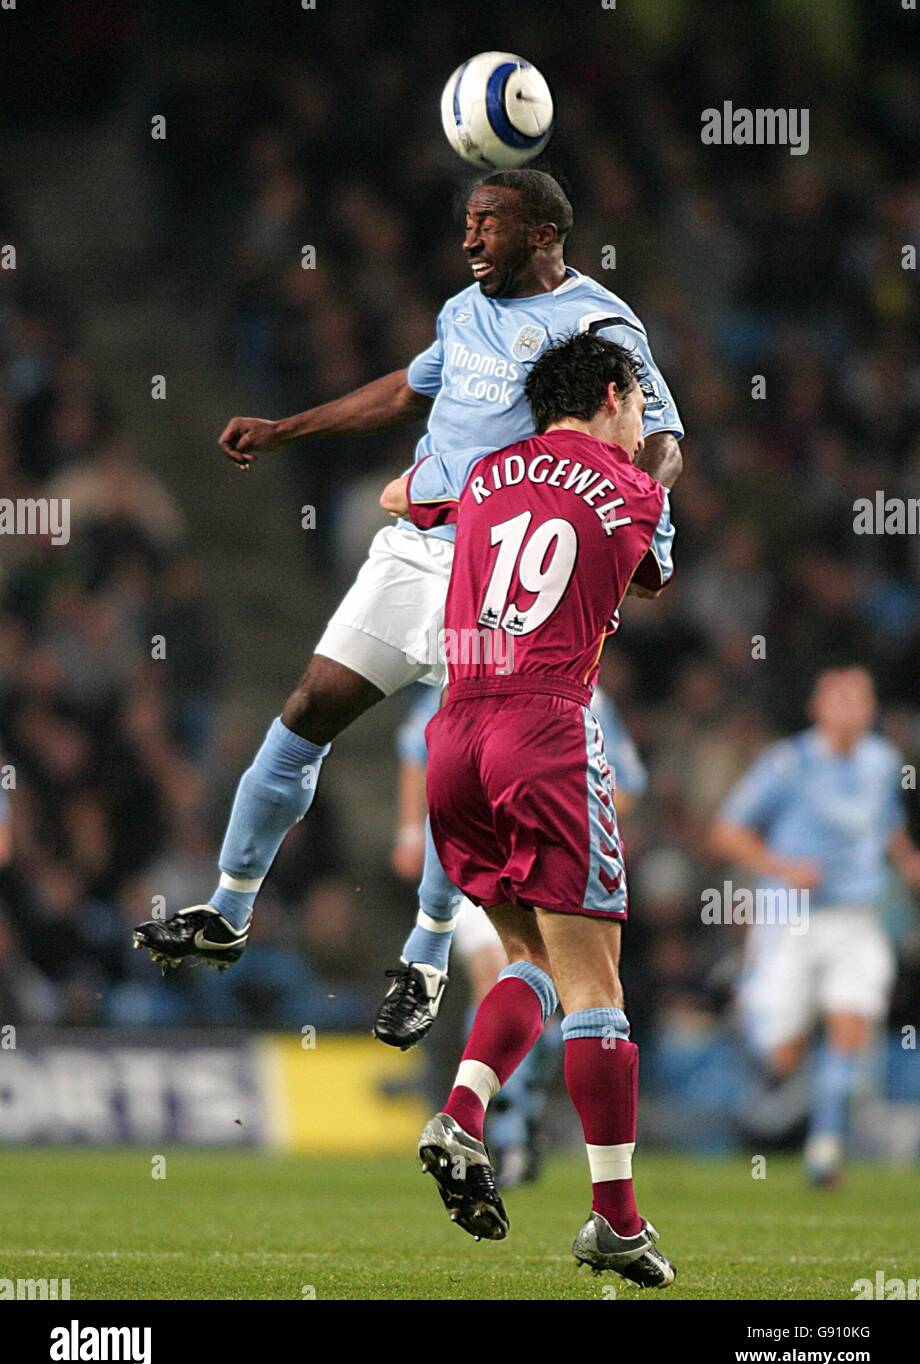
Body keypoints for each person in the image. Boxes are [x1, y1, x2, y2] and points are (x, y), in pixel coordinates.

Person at [133, 172, 683, 1031]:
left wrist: (631, 526)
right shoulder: (463, 310)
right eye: (468, 222)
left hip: (495, 564)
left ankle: (426, 957)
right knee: (309, 706)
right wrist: (286, 428)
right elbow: (405, 391)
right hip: (409, 550)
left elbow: (660, 436)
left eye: (488, 225)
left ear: (541, 234)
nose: (468, 240)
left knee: (457, 752)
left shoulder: (598, 322)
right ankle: (229, 909)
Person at [380, 331, 676, 1287]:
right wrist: (661, 471)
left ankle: (463, 1109)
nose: (641, 427)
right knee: (599, 990)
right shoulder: (632, 484)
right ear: (615, 394)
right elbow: (648, 573)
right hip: (545, 726)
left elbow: (401, 498)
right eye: (636, 407)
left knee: (527, 958)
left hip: (454, 729)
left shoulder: (488, 464)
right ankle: (615, 1220)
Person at [391, 680, 648, 1187]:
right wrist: (408, 831)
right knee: (535, 977)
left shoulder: (589, 701)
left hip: (535, 844)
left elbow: (626, 787)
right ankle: (504, 1134)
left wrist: (583, 823)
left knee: (548, 981)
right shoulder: (483, 679)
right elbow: (414, 753)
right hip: (492, 843)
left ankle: (500, 1117)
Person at [710, 666, 920, 1185]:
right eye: (840, 698)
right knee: (781, 1051)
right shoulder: (789, 763)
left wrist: (908, 860)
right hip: (791, 915)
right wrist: (784, 867)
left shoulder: (882, 761)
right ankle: (754, 1005)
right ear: (818, 707)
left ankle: (824, 1150)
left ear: (871, 708)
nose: (850, 708)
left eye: (860, 698)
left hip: (857, 914)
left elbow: (886, 824)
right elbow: (726, 830)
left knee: (851, 1026)